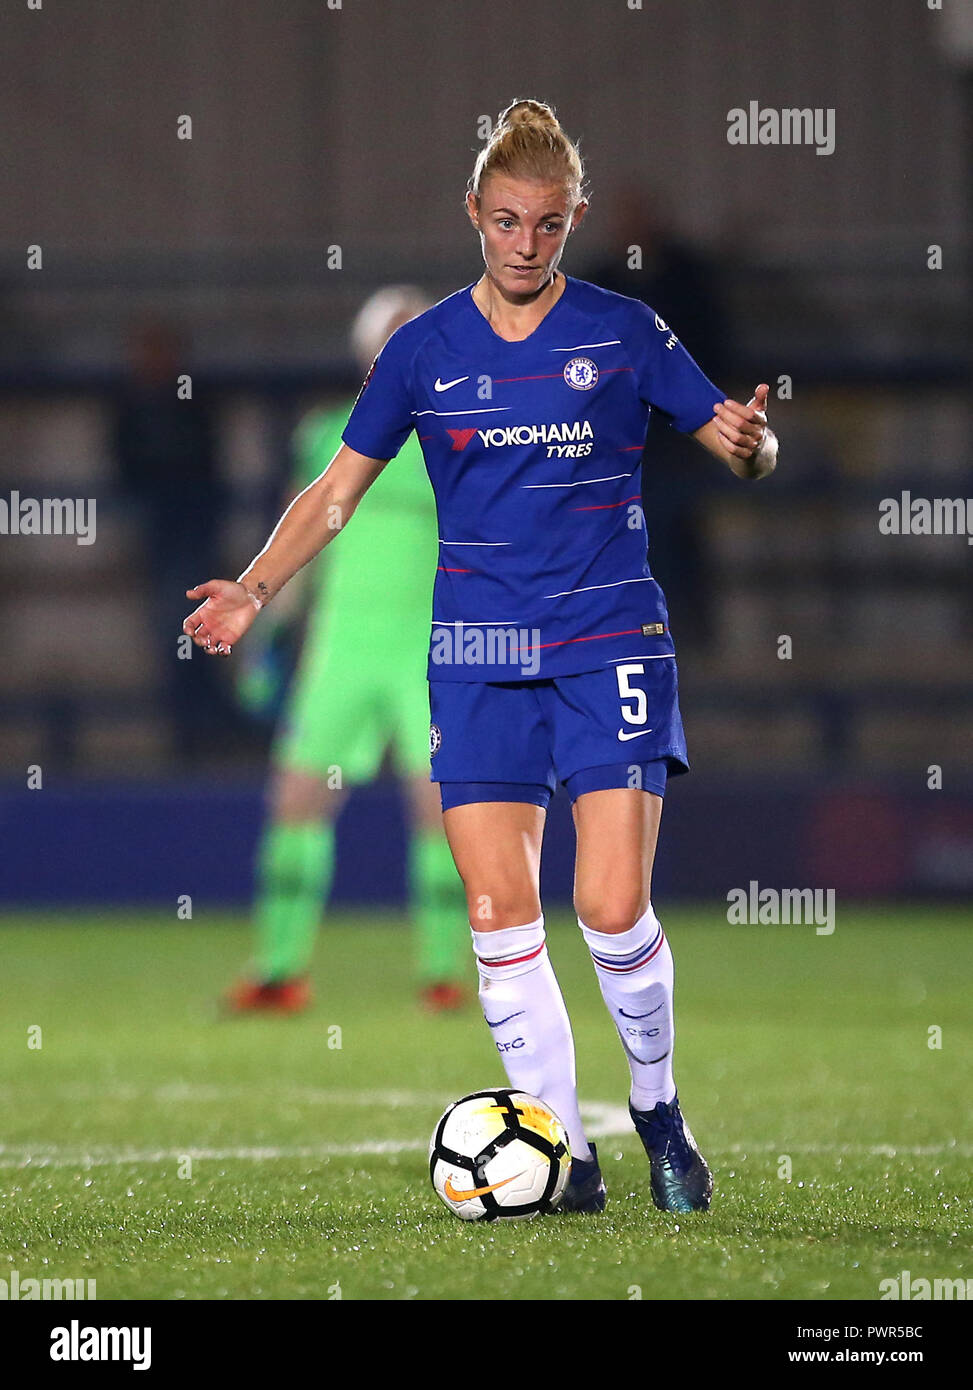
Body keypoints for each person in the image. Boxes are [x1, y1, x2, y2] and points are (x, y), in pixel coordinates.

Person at [183, 99, 777, 1215]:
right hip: (476, 649)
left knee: (607, 908)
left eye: (547, 226)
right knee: (501, 912)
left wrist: (753, 445)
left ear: (574, 219)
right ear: (474, 214)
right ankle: (567, 1158)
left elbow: (736, 443)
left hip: (607, 641)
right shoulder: (423, 351)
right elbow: (334, 494)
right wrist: (254, 590)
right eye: (505, 222)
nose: (523, 244)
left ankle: (656, 1111)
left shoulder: (623, 332)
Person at [225, 288, 470, 1014]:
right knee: (296, 803)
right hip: (340, 651)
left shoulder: (457, 437)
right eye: (389, 336)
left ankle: (444, 975)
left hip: (426, 653)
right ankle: (278, 970)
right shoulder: (328, 433)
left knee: (441, 812)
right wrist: (267, 628)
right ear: (369, 350)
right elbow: (303, 541)